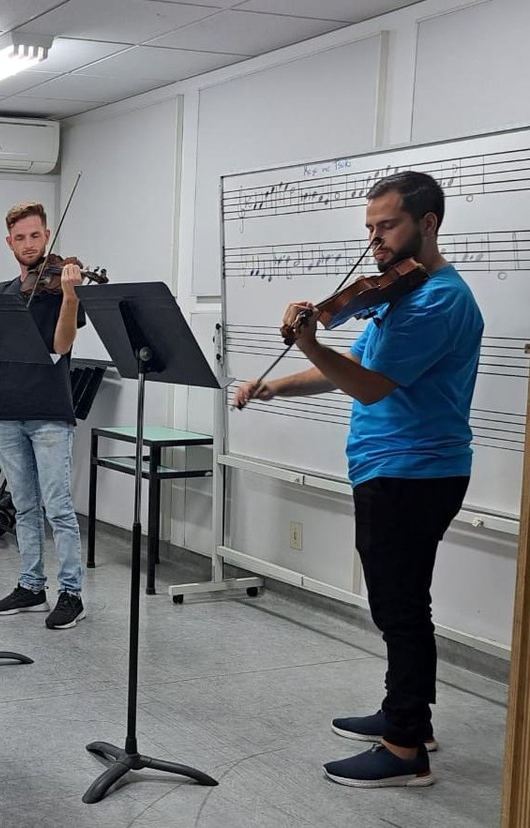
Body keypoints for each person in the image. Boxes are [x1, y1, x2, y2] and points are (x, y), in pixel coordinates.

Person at [235, 170, 482, 788]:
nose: (374, 239)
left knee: (398, 608)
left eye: (387, 225)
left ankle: (404, 752)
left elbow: (371, 388)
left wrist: (308, 345)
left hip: (413, 471)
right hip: (392, 467)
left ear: (427, 224)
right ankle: (409, 718)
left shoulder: (437, 300)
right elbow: (354, 367)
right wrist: (274, 385)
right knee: (403, 604)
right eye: (369, 227)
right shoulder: (400, 295)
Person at [0, 201, 87, 630]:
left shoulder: (63, 291)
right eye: (20, 237)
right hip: (7, 411)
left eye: (36, 236)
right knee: (24, 506)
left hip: (49, 412)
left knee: (58, 508)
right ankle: (31, 586)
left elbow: (62, 346)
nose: (29, 244)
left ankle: (71, 593)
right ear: (10, 243)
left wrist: (69, 295)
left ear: (47, 237)